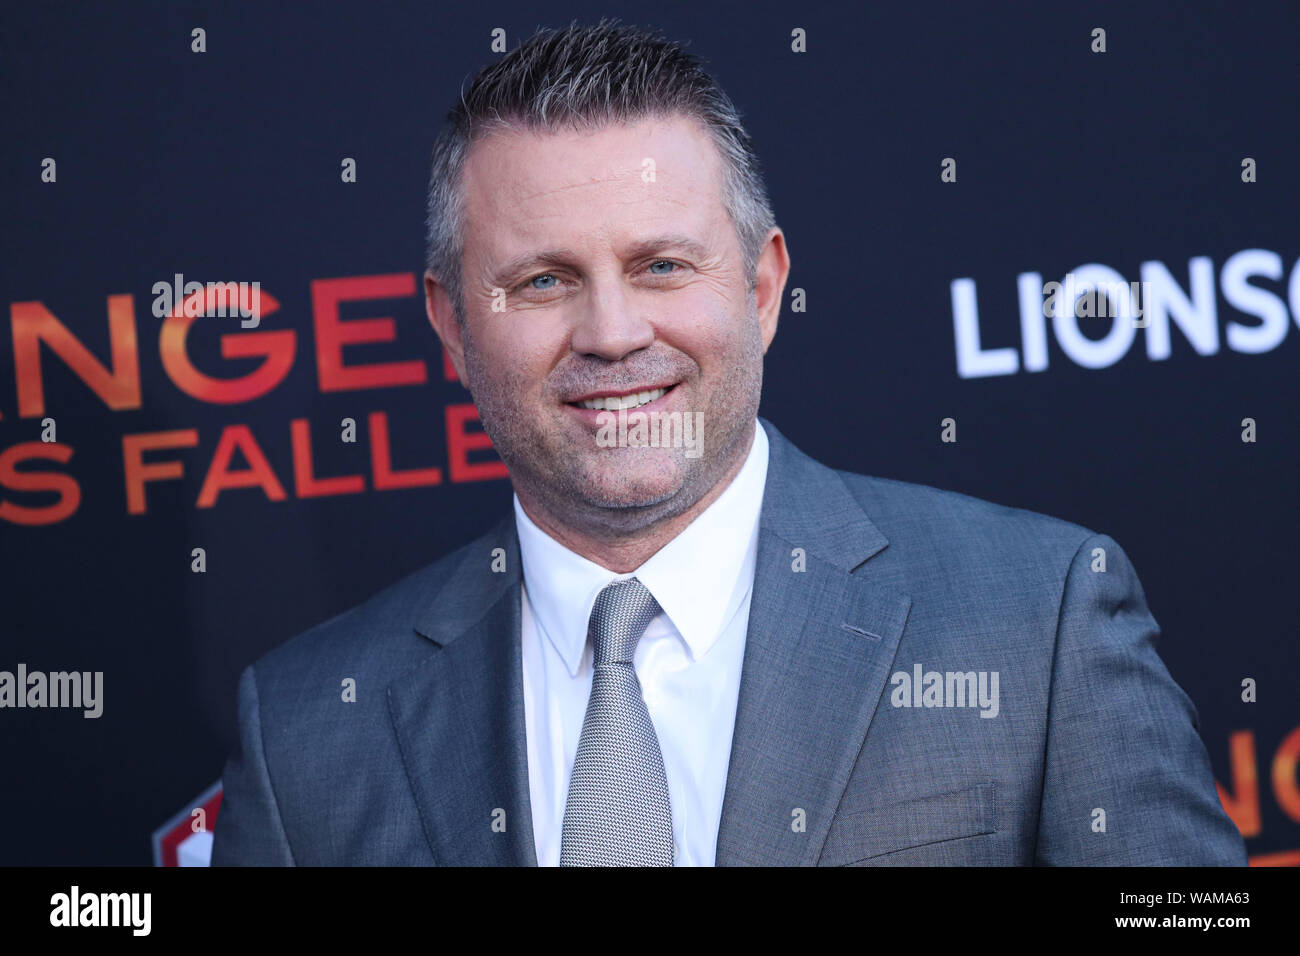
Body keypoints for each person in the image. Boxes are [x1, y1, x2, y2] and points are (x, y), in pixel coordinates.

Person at [211, 19, 1246, 866]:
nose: (612, 333)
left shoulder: (1039, 616)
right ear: (449, 325)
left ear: (760, 286)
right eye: (543, 280)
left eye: (662, 265)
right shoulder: (307, 727)